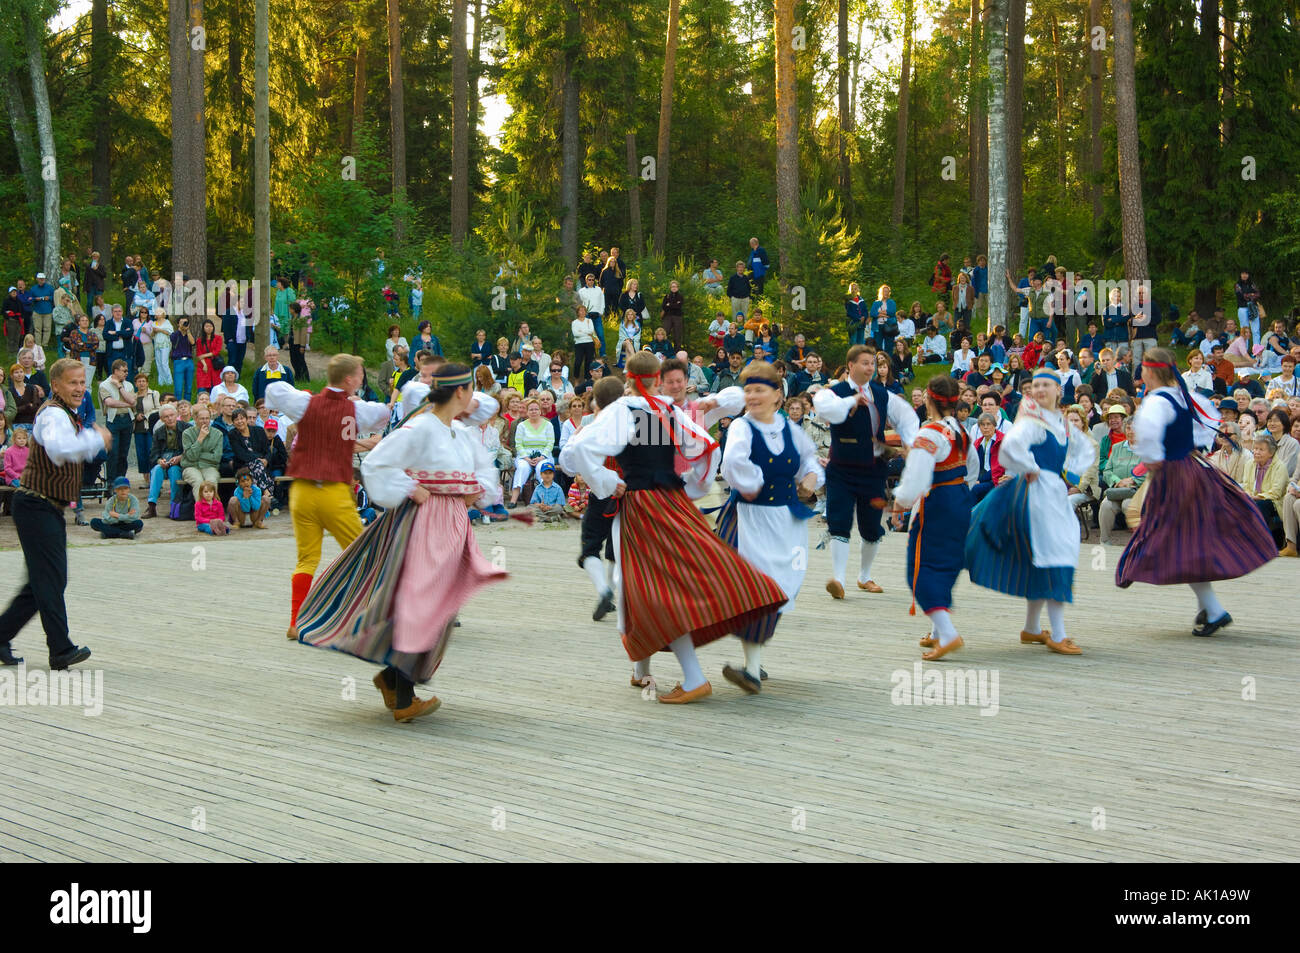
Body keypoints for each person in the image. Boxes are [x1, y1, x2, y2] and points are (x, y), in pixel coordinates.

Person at [564, 351, 785, 703]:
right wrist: (690, 484)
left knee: (651, 587)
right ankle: (641, 670)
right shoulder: (666, 409)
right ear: (656, 377)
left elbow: (575, 451)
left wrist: (606, 480)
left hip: (641, 506)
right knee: (647, 584)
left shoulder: (625, 410)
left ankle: (694, 677)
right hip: (672, 502)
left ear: (628, 377)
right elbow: (706, 447)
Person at [294, 364, 508, 722]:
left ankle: (394, 680)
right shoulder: (421, 426)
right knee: (422, 601)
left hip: (451, 522)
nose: (473, 398)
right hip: (424, 523)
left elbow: (475, 470)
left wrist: (473, 493)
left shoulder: (454, 430)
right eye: (470, 390)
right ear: (459, 392)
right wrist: (412, 489)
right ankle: (403, 694)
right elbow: (377, 462)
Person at [1116, 348, 1276, 635]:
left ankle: (1213, 609)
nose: (1140, 374)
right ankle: (1210, 606)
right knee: (1189, 541)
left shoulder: (1156, 402)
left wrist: (1155, 468)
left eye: (1142, 370)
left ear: (1150, 372)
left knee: (1182, 541)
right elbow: (1206, 427)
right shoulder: (1181, 395)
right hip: (1192, 469)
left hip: (1173, 475)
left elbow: (1149, 441)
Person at [964, 368, 1098, 654]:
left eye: (1046, 385)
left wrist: (1071, 476)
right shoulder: (1034, 422)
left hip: (1052, 494)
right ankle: (1058, 634)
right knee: (1055, 556)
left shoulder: (1059, 422)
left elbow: (1085, 449)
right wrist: (1030, 467)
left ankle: (1033, 628)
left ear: (1059, 390)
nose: (1039, 390)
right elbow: (1011, 447)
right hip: (1035, 497)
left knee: (1047, 556)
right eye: (1036, 385)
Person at [711, 361, 823, 692]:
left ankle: (753, 663)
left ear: (778, 394)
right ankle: (752, 667)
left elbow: (810, 460)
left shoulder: (790, 429)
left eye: (759, 389)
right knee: (751, 589)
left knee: (778, 588)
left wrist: (812, 478)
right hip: (747, 519)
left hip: (786, 521)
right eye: (748, 390)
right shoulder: (742, 428)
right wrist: (754, 481)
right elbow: (732, 462)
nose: (752, 396)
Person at [268, 355, 392, 638]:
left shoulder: (305, 403)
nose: (362, 379)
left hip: (300, 490)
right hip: (333, 491)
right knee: (364, 556)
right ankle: (366, 620)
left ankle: (295, 622)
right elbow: (383, 413)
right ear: (349, 380)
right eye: (360, 375)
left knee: (306, 559)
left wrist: (306, 397)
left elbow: (274, 391)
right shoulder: (357, 411)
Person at [0, 359, 106, 670]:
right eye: (72, 383)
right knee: (50, 580)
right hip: (36, 505)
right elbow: (60, 451)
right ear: (56, 385)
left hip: (44, 507)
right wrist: (96, 439)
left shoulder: (65, 415)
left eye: (82, 383)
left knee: (42, 582)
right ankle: (60, 649)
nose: (79, 388)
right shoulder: (53, 416)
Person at [813, 344, 919, 598]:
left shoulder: (883, 395)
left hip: (873, 469)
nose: (870, 367)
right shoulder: (833, 393)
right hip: (841, 468)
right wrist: (851, 400)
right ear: (850, 365)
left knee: (871, 526)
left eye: (873, 363)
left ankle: (864, 576)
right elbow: (825, 409)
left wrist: (913, 445)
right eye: (865, 363)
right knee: (839, 521)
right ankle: (838, 579)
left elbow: (906, 418)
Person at [888, 375, 972, 660]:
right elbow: (968, 467)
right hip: (960, 497)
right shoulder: (960, 429)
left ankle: (947, 633)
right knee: (946, 562)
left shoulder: (930, 434)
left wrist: (900, 504)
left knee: (920, 568)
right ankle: (938, 630)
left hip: (938, 502)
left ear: (928, 399)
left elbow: (916, 479)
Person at [558, 377, 626, 620]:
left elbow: (567, 464)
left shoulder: (590, 429)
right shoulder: (636, 423)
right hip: (629, 494)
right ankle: (612, 594)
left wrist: (575, 437)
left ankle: (604, 590)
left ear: (596, 401)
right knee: (618, 549)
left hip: (601, 494)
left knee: (590, 548)